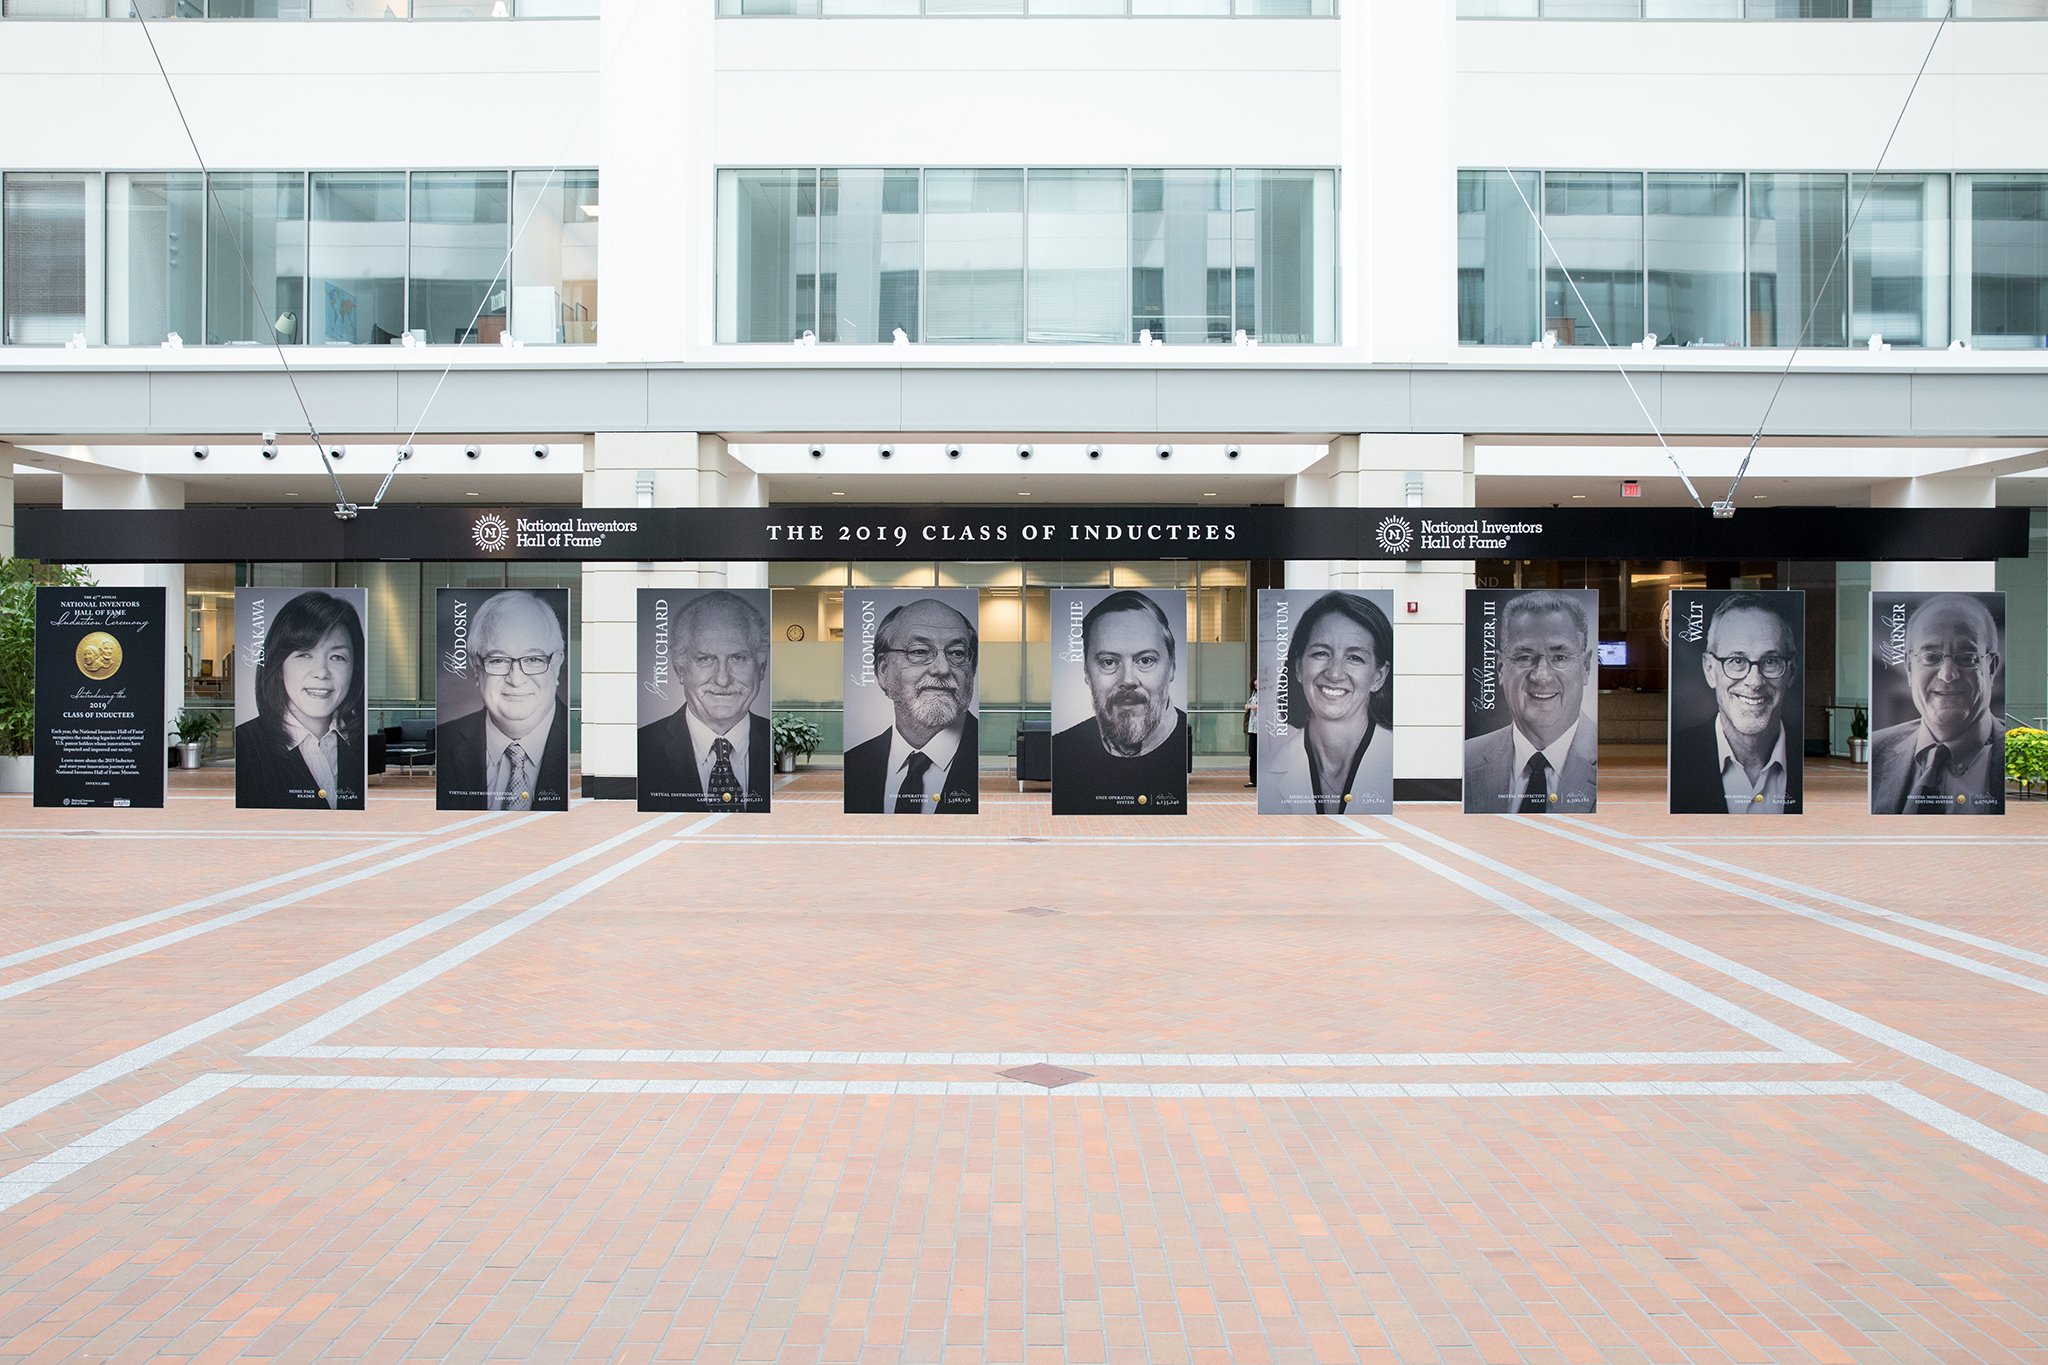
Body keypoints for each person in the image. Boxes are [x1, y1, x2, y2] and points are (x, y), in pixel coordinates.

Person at [1053, 590, 1188, 815]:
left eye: (1146, 660)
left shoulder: (1183, 745)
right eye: (1108, 662)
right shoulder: (1061, 752)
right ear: (1086, 671)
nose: (1127, 680)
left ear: (1171, 666)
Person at [1463, 590, 1597, 814]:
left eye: (1560, 657)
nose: (1541, 676)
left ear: (1585, 667)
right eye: (1524, 657)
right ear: (1500, 668)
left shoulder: (1602, 760)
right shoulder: (1469, 757)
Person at [1871, 593, 2005, 815]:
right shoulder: (1876, 751)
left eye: (1967, 657)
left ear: (1991, 668)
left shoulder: (2022, 752)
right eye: (1931, 657)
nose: (1948, 675)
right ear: (1909, 668)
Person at [639, 591, 772, 812]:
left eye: (738, 658)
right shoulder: (645, 747)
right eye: (705, 659)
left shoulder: (771, 738)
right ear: (680, 669)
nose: (722, 679)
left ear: (760, 668)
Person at [844, 597, 980, 814]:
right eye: (919, 652)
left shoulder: (986, 762)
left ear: (971, 670)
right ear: (883, 670)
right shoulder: (854, 764)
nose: (942, 668)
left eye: (957, 653)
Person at [1669, 594, 1802, 815]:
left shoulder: (1807, 756)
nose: (1755, 682)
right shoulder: (1678, 759)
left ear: (1792, 671)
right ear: (1710, 670)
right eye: (1737, 661)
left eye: (1770, 661)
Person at [1263, 592, 1393, 815]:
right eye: (1321, 653)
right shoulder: (1266, 772)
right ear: (1298, 667)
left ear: (1378, 677)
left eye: (1355, 657)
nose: (1334, 673)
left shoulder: (1395, 761)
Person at [235, 590, 366, 811]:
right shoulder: (244, 746)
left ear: (355, 668)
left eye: (337, 657)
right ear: (278, 665)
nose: (321, 672)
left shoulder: (361, 743)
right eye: (304, 654)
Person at [439, 590, 570, 812]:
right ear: (476, 666)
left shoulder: (580, 742)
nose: (516, 679)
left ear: (556, 664)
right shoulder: (444, 743)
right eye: (498, 660)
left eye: (533, 659)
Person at [1243, 678, 1259, 788]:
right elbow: (1248, 705)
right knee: (1252, 754)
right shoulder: (1254, 694)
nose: (1256, 684)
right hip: (1252, 728)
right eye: (1255, 683)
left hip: (1262, 728)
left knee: (1261, 755)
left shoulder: (1268, 694)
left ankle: (1261, 779)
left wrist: (1253, 706)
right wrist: (1248, 706)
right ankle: (1253, 779)